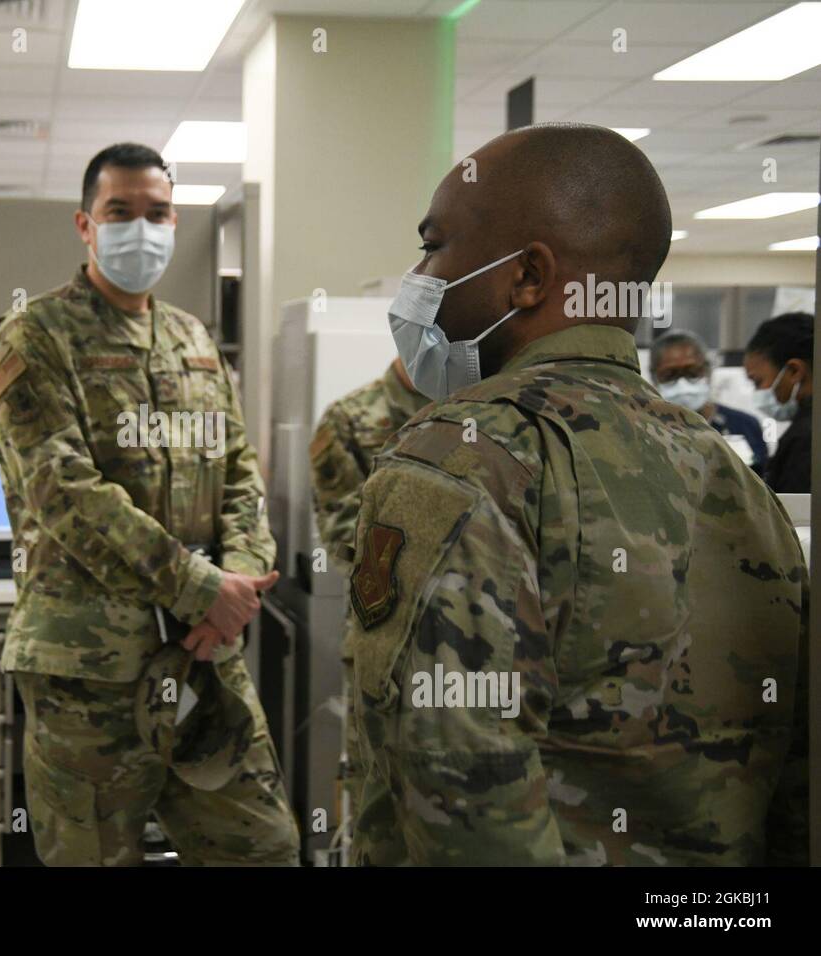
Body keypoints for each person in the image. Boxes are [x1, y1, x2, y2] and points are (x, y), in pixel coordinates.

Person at [348, 123, 808, 866]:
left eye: (435, 246)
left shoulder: (462, 459)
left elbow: (457, 785)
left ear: (527, 276)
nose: (421, 274)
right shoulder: (728, 473)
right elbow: (796, 778)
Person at [0, 142, 300, 866]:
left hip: (203, 656)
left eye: (156, 213)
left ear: (175, 221)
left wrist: (241, 585)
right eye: (119, 212)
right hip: (89, 668)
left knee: (265, 847)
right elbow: (63, 490)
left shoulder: (193, 340)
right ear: (85, 225)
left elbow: (241, 472)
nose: (140, 229)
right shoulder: (34, 336)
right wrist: (199, 586)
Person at [308, 356, 428, 840]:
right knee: (380, 804)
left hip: (479, 645)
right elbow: (345, 539)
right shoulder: (351, 419)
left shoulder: (479, 407)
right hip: (386, 642)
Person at [649, 329, 767, 471]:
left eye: (692, 372)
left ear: (708, 370)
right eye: (669, 375)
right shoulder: (646, 429)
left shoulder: (744, 425)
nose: (682, 383)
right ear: (654, 377)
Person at [744, 312, 814, 494]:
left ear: (794, 371)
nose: (758, 392)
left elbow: (795, 517)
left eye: (758, 382)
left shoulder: (806, 438)